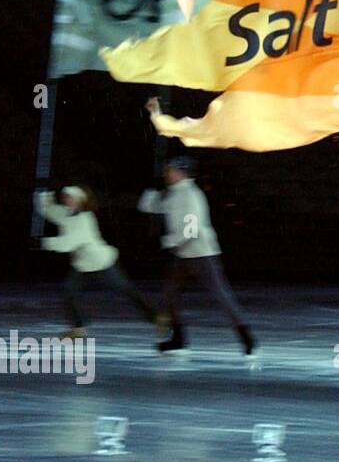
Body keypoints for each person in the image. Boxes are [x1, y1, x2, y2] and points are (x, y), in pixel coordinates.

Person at [137, 151, 255, 356]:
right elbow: (147, 206)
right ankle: (179, 339)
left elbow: (191, 230)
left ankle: (247, 338)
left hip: (202, 253)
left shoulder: (190, 195)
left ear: (181, 172)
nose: (167, 173)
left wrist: (168, 241)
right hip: (183, 254)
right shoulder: (173, 193)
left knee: (221, 295)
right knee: (170, 295)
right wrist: (153, 189)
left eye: (170, 170)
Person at [34, 185, 162, 338]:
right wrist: (43, 195)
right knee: (69, 292)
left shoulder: (85, 219)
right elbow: (47, 210)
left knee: (126, 290)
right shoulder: (64, 213)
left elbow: (68, 243)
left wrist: (43, 243)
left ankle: (156, 318)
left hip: (101, 261)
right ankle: (78, 328)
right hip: (81, 264)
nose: (67, 200)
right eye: (66, 197)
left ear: (80, 200)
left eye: (71, 197)